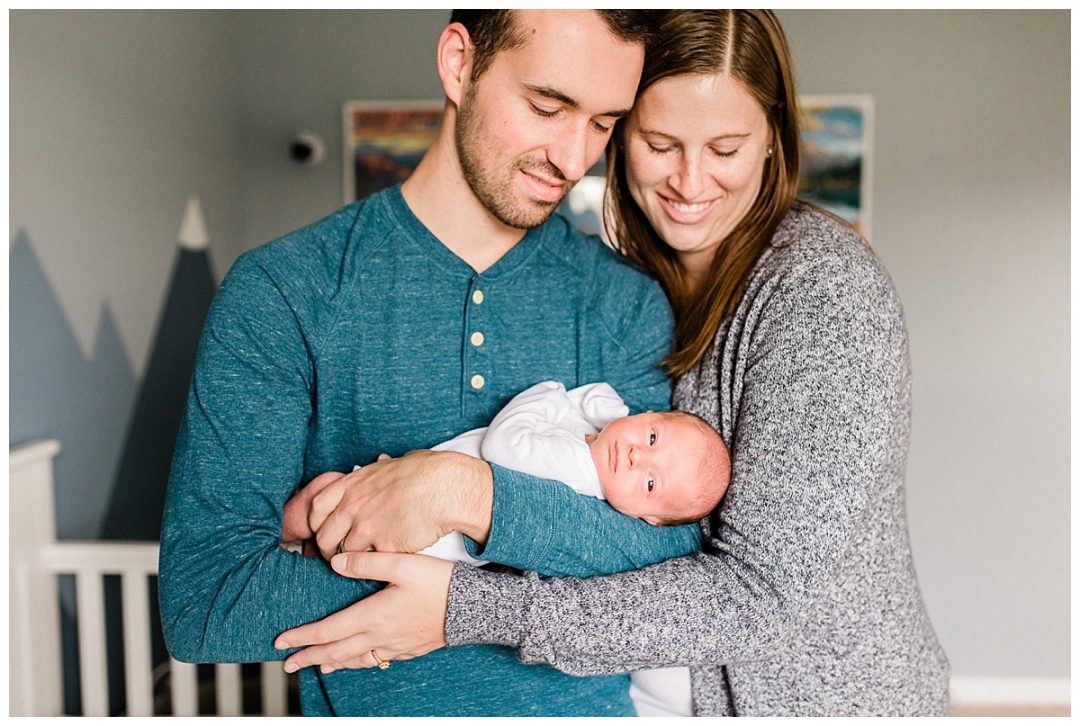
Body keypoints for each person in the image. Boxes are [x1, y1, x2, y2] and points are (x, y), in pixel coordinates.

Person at [276, 9, 951, 717]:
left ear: (774, 145)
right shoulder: (635, 283)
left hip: (818, 703)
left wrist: (465, 600)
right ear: (621, 134)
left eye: (726, 148)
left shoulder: (823, 293)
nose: (691, 182)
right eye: (661, 143)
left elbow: (757, 596)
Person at [159, 10, 706, 717]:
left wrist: (467, 496)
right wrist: (469, 593)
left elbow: (669, 561)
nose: (573, 159)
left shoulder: (625, 304)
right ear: (458, 63)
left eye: (603, 123)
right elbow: (210, 599)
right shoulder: (285, 290)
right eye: (547, 106)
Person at [282, 380, 731, 558]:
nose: (637, 457)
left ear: (646, 518)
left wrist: (555, 394)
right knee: (323, 519)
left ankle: (274, 534)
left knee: (322, 499)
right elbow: (598, 402)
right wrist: (597, 413)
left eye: (650, 483)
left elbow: (504, 445)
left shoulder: (576, 471)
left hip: (410, 537)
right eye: (652, 437)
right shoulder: (590, 447)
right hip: (407, 518)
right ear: (648, 414)